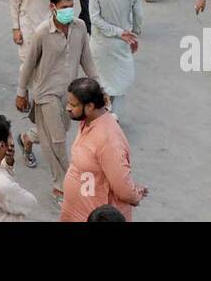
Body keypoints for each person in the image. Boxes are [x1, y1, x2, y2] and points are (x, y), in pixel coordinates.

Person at [16, 0, 98, 202]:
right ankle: (61, 186)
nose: (69, 11)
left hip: (70, 95)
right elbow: (29, 64)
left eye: (71, 6)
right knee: (58, 141)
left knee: (55, 132)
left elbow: (86, 58)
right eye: (64, 7)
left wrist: (99, 89)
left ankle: (27, 138)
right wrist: (21, 92)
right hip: (46, 94)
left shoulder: (79, 27)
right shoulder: (42, 32)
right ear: (52, 7)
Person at [59, 76, 147, 221]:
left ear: (90, 106)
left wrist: (135, 196)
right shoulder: (87, 122)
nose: (68, 108)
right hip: (75, 211)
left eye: (73, 105)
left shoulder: (109, 140)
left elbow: (123, 188)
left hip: (91, 214)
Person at [88, 0, 142, 118]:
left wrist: (118, 32)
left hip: (101, 43)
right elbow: (138, 16)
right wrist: (132, 34)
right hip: (121, 43)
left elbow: (95, 19)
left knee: (102, 82)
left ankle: (102, 118)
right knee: (119, 84)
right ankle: (113, 119)